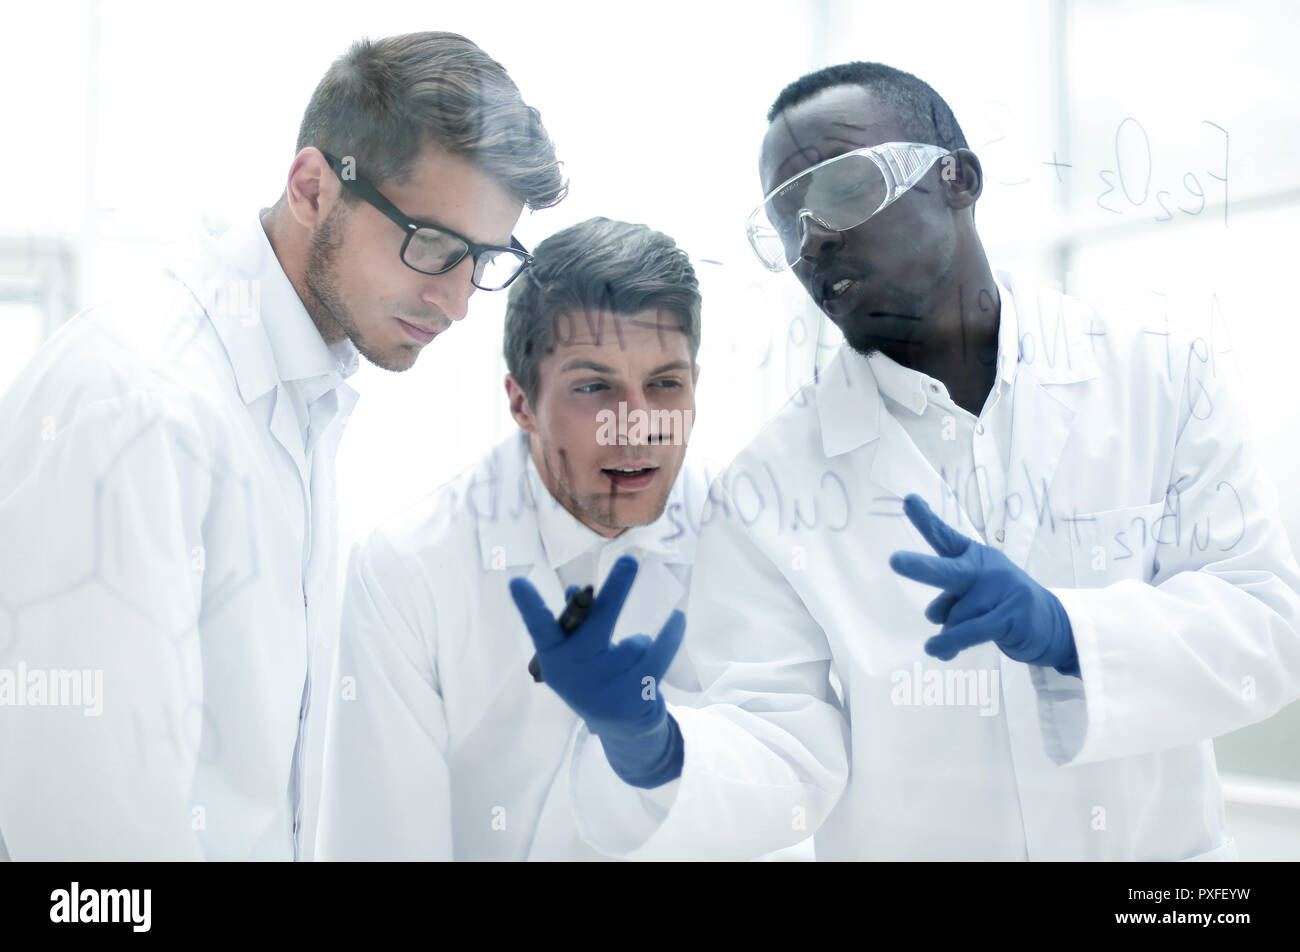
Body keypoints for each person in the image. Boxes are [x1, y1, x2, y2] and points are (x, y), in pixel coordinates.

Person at [513, 62, 1300, 860]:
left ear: (958, 179)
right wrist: (650, 747)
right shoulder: (768, 486)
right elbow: (782, 743)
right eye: (788, 221)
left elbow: (1269, 625)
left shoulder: (1159, 375)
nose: (815, 238)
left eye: (843, 187)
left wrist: (1067, 631)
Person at [0, 31, 564, 860]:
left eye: (482, 260)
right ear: (311, 188)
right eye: (433, 247)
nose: (456, 303)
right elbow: (89, 846)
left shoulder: (299, 399)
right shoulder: (140, 404)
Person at [317, 217, 715, 860]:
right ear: (522, 402)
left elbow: (789, 784)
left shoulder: (748, 545)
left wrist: (655, 755)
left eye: (665, 384)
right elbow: (383, 842)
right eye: (594, 388)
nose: (636, 426)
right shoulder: (409, 568)